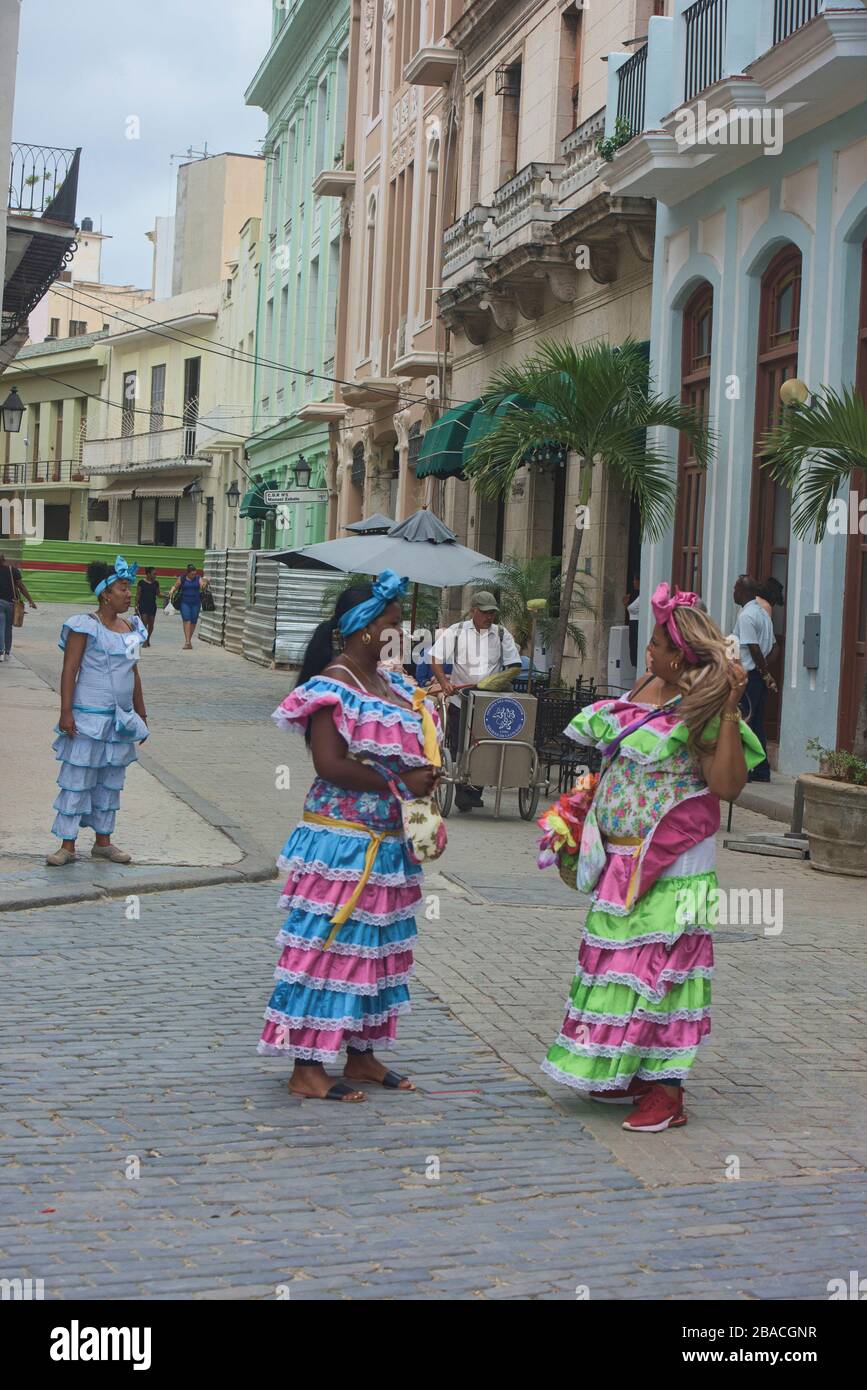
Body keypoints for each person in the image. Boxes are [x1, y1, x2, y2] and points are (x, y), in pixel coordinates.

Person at [542, 582, 764, 1133]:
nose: (649, 652)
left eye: (657, 644)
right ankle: (634, 1072)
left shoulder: (703, 706)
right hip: (621, 863)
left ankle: (667, 1091)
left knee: (660, 975)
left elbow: (727, 786)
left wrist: (732, 710)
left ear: (679, 653)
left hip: (674, 869)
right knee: (618, 971)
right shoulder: (647, 687)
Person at [258, 570, 442, 1103]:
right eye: (392, 623)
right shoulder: (333, 687)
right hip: (341, 846)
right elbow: (329, 763)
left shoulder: (394, 683)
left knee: (376, 952)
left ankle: (360, 1053)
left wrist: (424, 777)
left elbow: (403, 752)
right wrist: (398, 782)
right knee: (327, 949)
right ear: (364, 629)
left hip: (387, 843)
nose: (400, 633)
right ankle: (308, 1064)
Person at [47, 556, 149, 867]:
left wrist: (141, 714)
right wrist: (66, 712)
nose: (128, 594)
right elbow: (70, 669)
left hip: (120, 719)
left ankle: (103, 842)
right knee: (78, 777)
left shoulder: (131, 627)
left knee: (110, 780)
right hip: (87, 717)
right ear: (105, 594)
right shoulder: (84, 626)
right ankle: (67, 844)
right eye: (122, 588)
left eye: (129, 588)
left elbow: (133, 671)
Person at [429, 590, 521, 812]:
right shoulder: (457, 631)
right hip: (463, 698)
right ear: (474, 611)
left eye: (492, 613)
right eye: (486, 612)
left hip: (491, 701)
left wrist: (502, 679)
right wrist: (444, 683)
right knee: (463, 744)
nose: (490, 617)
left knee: (485, 744)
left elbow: (514, 664)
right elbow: (435, 659)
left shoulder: (501, 634)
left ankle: (474, 790)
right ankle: (462, 790)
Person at [732, 574, 778, 783]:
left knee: (743, 722)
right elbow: (775, 648)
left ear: (744, 592)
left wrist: (763, 672)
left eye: (736, 589)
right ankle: (761, 769)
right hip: (757, 676)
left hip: (749, 677)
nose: (733, 592)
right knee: (756, 723)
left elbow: (753, 647)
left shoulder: (747, 616)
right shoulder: (763, 614)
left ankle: (747, 768)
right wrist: (765, 671)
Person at [0, 552, 37, 662]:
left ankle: (0, 651)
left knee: (0, 626)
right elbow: (21, 586)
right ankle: (7, 652)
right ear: (4, 560)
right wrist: (31, 601)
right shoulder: (13, 570)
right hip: (12, 603)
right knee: (8, 628)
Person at [172, 564, 209, 649]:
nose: (193, 575)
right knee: (187, 620)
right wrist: (171, 591)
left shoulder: (198, 578)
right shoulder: (182, 578)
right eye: (192, 574)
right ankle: (187, 641)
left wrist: (206, 582)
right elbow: (175, 586)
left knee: (193, 621)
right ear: (187, 573)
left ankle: (189, 640)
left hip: (196, 603)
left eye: (194, 574)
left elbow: (202, 588)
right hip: (184, 602)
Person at [135, 567, 161, 648]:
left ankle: (148, 638)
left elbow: (158, 594)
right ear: (148, 574)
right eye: (154, 574)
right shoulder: (141, 582)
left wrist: (167, 596)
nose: (155, 575)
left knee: (151, 624)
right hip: (143, 604)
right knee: (144, 622)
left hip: (152, 605)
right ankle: (145, 640)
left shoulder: (156, 583)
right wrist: (136, 605)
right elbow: (138, 594)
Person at [623, 575, 641, 670]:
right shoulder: (636, 595)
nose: (633, 582)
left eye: (635, 580)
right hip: (633, 624)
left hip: (637, 625)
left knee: (636, 648)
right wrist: (626, 604)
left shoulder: (642, 595)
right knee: (633, 649)